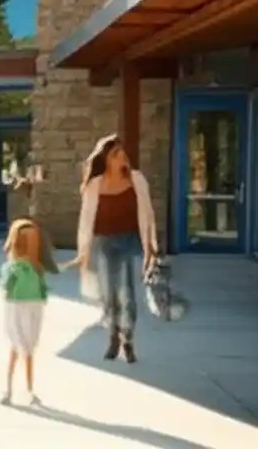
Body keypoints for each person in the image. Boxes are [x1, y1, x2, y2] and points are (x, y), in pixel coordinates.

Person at [70, 134, 159, 363]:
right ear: (106, 159)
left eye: (123, 154)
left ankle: (128, 339)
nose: (122, 158)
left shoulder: (137, 180)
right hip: (105, 243)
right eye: (116, 154)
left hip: (131, 241)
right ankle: (113, 336)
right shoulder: (94, 185)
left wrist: (151, 247)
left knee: (127, 293)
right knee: (109, 294)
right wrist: (83, 251)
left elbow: (148, 216)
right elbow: (86, 219)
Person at [0, 219, 49, 406]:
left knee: (28, 349)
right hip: (17, 307)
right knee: (19, 347)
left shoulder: (36, 268)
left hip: (34, 307)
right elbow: (7, 290)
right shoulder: (14, 268)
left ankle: (28, 390)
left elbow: (42, 285)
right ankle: (10, 389)